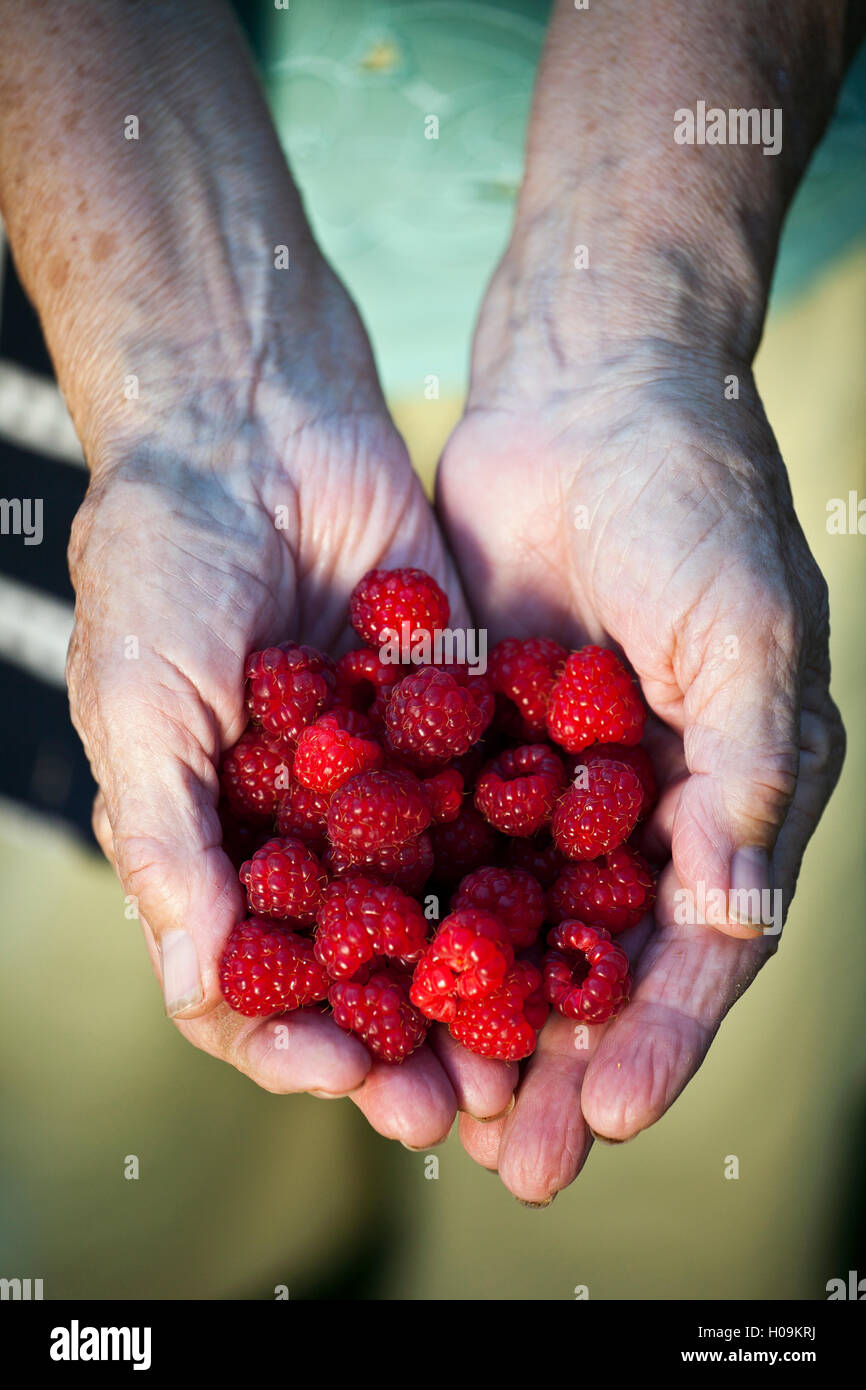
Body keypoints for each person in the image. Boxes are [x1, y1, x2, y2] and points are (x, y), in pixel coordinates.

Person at [0, 0, 853, 1206]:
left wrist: (648, 328)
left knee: (706, 1089)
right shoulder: (376, 801)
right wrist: (191, 386)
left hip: (755, 265)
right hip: (121, 299)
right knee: (96, 1068)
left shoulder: (455, 797)